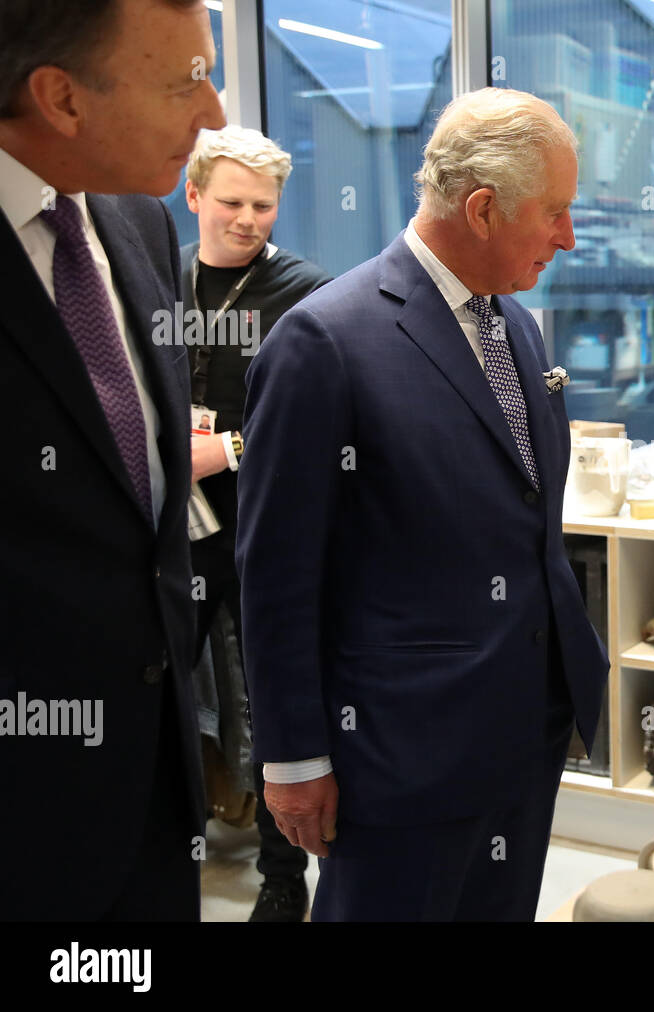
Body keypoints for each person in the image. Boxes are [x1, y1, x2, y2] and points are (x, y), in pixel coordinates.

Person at [235, 87, 608, 921]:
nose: (568, 236)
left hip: (523, 730)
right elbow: (276, 575)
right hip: (403, 751)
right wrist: (293, 760)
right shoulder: (324, 341)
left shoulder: (515, 328)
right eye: (554, 212)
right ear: (482, 208)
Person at [0, 0, 225, 919]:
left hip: (158, 793)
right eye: (185, 83)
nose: (212, 114)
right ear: (60, 96)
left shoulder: (139, 221)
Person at [182, 125, 331, 922]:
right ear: (194, 195)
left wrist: (229, 447)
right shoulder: (159, 281)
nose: (248, 219)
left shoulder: (303, 291)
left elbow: (326, 419)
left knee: (277, 697)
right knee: (168, 691)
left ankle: (283, 878)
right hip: (180, 530)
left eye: (264, 206)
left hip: (265, 528)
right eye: (232, 202)